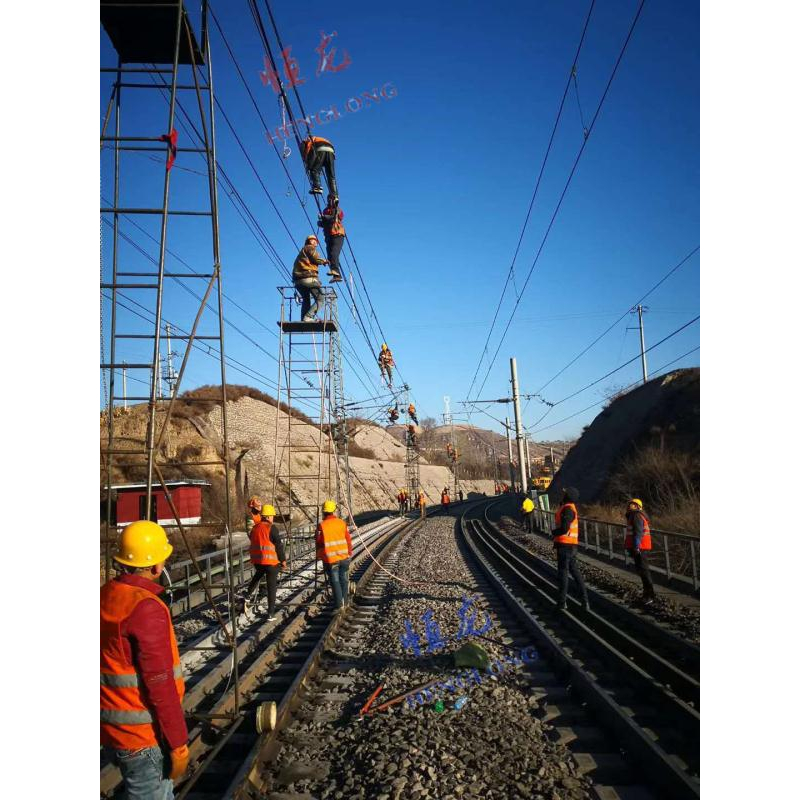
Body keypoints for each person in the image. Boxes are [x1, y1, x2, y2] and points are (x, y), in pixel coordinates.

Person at [101, 521, 189, 799]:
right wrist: (178, 742)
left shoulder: (105, 595)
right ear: (156, 566)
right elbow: (160, 683)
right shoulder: (147, 608)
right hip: (143, 734)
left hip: (112, 724)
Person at [245, 504, 286, 619]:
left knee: (258, 574)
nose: (273, 518)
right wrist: (283, 561)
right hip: (270, 563)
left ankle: (247, 595)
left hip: (258, 562)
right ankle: (270, 613)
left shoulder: (255, 528)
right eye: (272, 516)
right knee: (271, 587)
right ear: (267, 517)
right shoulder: (271, 528)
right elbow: (278, 546)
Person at [552, 487, 589, 611]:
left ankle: (562, 602)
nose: (563, 494)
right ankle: (585, 601)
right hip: (571, 545)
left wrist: (554, 532)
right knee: (575, 572)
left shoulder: (567, 509)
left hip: (565, 545)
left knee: (563, 573)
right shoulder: (569, 507)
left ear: (568, 496)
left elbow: (564, 528)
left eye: (565, 493)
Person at [316, 500, 353, 608]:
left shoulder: (321, 526)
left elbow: (319, 543)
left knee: (335, 582)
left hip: (332, 560)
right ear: (333, 511)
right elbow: (348, 539)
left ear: (323, 512)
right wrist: (349, 552)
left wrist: (320, 556)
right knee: (344, 580)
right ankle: (345, 603)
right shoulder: (342, 523)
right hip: (344, 557)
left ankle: (339, 606)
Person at [625, 498, 657, 605]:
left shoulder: (636, 515)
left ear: (638, 507)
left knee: (644, 571)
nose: (630, 506)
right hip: (640, 547)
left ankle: (650, 595)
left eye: (633, 504)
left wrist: (636, 546)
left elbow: (638, 532)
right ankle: (646, 594)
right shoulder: (634, 515)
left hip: (640, 547)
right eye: (630, 504)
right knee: (642, 571)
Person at [293, 235, 329, 322]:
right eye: (313, 240)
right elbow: (315, 258)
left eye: (316, 241)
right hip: (308, 277)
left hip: (298, 281)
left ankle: (304, 318)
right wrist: (324, 261)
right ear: (309, 241)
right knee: (321, 298)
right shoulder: (309, 248)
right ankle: (308, 316)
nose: (315, 242)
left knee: (306, 299)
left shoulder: (302, 252)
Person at [317, 195, 344, 282]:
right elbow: (326, 222)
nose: (329, 201)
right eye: (328, 199)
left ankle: (335, 271)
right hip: (329, 236)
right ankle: (336, 274)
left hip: (337, 234)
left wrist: (324, 217)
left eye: (331, 199)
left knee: (334, 253)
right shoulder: (326, 210)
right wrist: (320, 222)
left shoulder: (336, 209)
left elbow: (334, 218)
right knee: (329, 256)